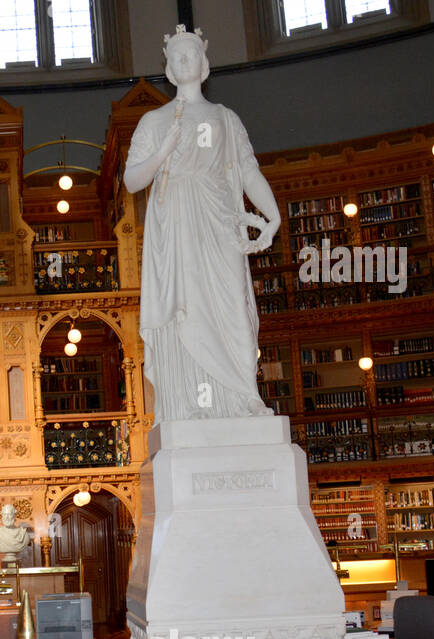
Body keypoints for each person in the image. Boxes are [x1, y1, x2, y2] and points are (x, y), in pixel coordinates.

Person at [123, 24, 281, 423]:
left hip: (220, 220)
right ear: (170, 71)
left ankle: (243, 396)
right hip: (176, 225)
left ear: (203, 64)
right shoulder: (153, 121)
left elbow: (248, 172)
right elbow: (132, 180)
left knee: (232, 306)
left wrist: (273, 215)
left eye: (190, 52)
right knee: (185, 309)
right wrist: (163, 151)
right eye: (175, 56)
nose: (183, 59)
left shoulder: (226, 119)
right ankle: (190, 405)